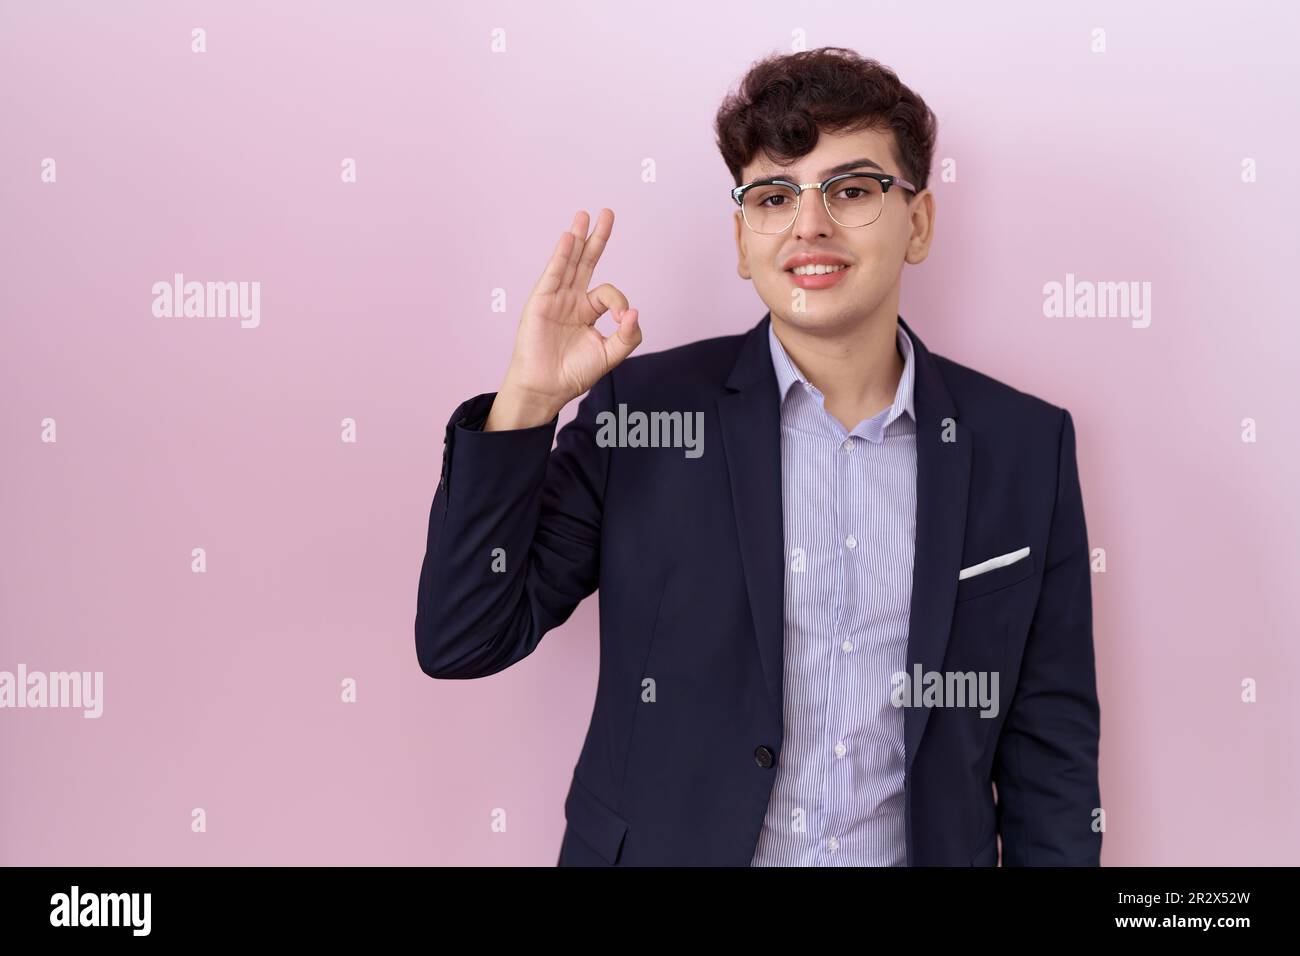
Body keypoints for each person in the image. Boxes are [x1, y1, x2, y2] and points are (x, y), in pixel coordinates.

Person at [415, 46, 1101, 866]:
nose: (810, 224)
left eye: (851, 190)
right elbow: (463, 637)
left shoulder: (1025, 446)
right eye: (775, 196)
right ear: (743, 241)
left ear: (917, 224)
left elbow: (1050, 754)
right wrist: (526, 404)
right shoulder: (645, 413)